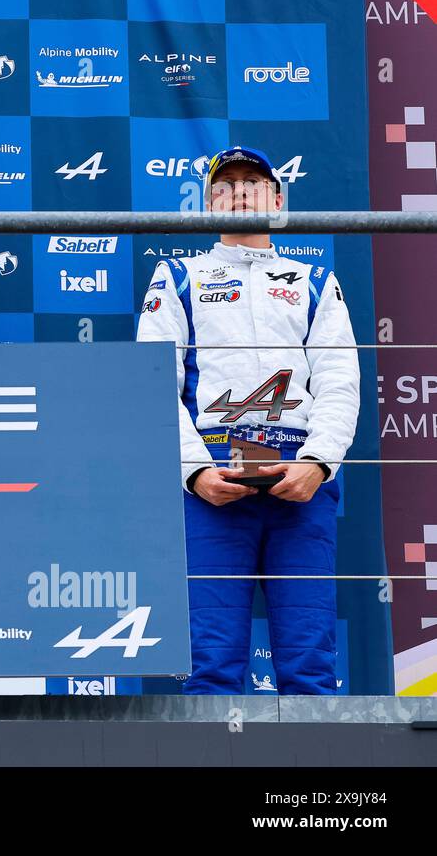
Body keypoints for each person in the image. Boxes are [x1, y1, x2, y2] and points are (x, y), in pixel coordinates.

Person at [136, 145, 359, 695]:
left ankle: (313, 782)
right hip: (213, 480)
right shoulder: (178, 276)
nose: (240, 191)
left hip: (299, 480)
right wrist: (193, 472)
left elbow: (339, 380)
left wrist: (318, 464)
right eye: (226, 183)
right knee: (211, 663)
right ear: (209, 202)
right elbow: (149, 384)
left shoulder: (312, 281)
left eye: (253, 182)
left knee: (309, 662)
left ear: (278, 200)